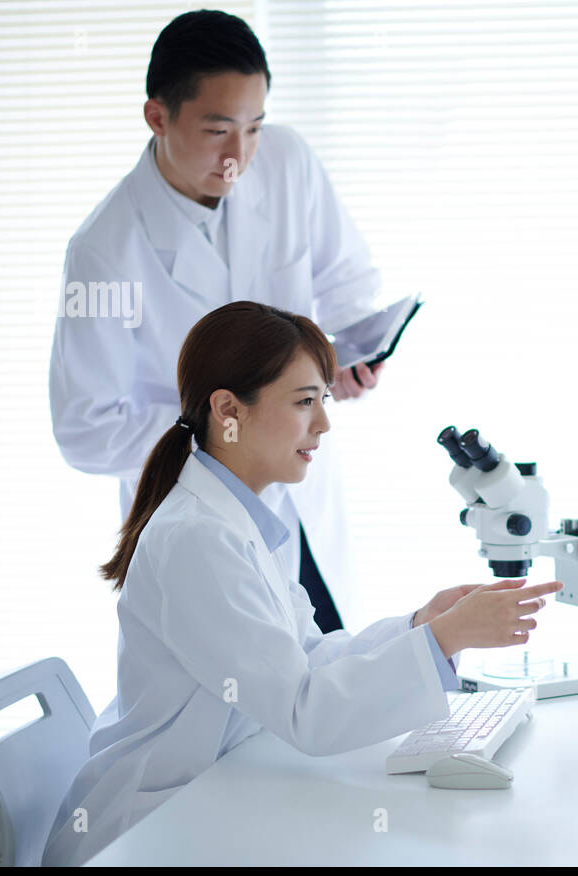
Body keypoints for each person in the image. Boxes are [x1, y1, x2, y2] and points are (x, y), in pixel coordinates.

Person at [41, 301, 562, 867]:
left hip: (213, 792)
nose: (323, 424)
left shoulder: (235, 520)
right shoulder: (197, 539)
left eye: (325, 400)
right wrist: (443, 643)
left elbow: (306, 657)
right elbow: (303, 711)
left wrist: (424, 625)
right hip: (146, 830)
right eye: (304, 401)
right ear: (228, 410)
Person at [49, 9, 380, 633]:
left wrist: (355, 347)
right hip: (198, 514)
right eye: (218, 130)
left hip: (303, 487)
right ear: (158, 116)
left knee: (332, 664)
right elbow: (85, 428)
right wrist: (230, 431)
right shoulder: (105, 252)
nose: (240, 157)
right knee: (239, 697)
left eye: (254, 127)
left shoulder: (285, 162)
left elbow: (346, 283)